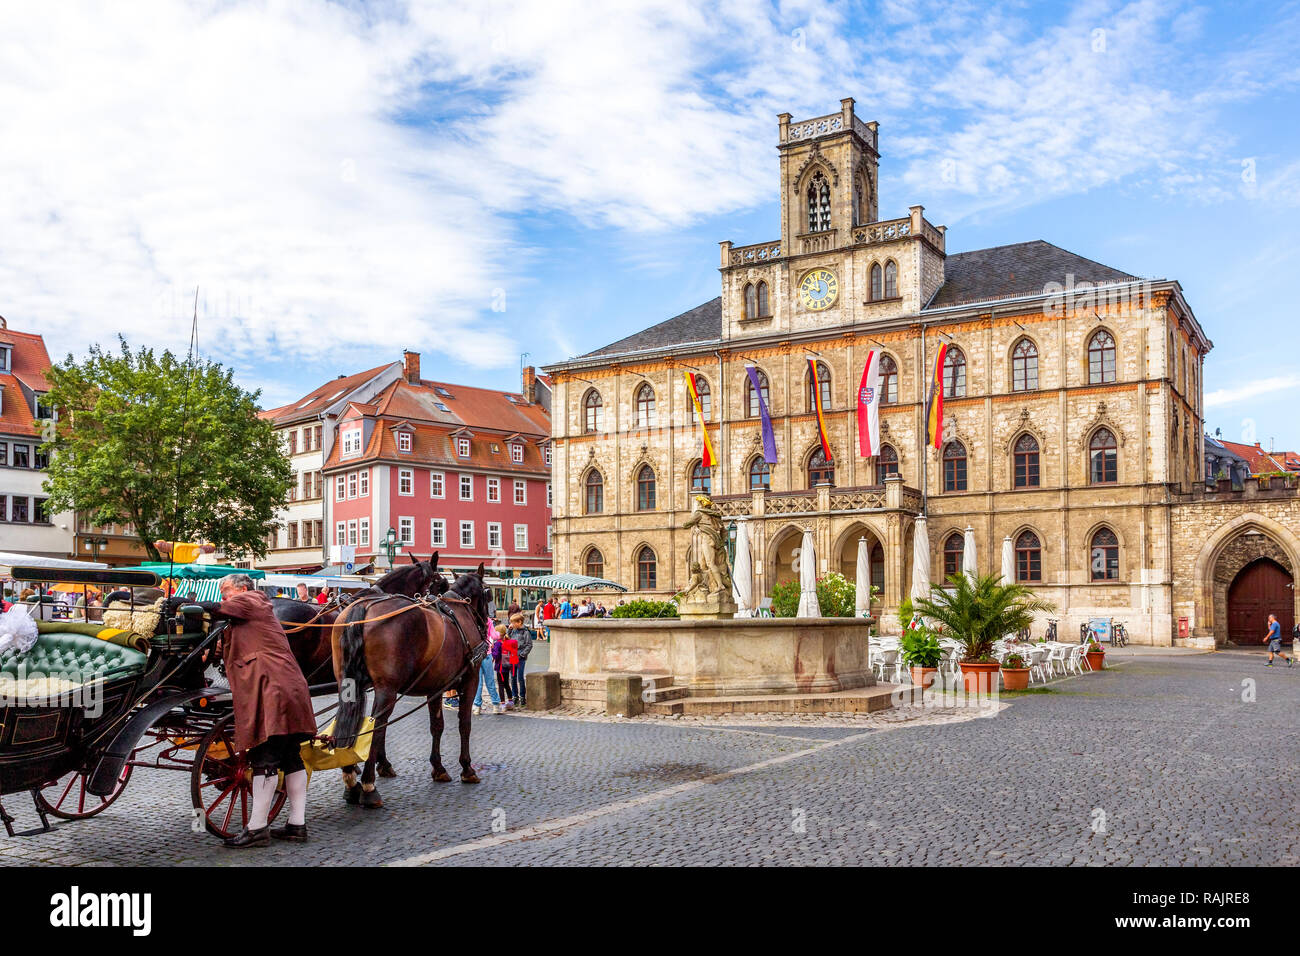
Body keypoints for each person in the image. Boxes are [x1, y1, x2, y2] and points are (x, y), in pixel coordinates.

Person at [171, 574, 316, 847]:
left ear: (242, 588)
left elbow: (219, 608)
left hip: (273, 689)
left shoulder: (252, 600)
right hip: (285, 687)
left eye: (225, 591)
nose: (223, 596)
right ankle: (297, 824)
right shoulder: (248, 615)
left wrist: (187, 603)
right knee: (290, 756)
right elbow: (227, 648)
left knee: (265, 754)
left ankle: (258, 828)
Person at [509, 612, 533, 706]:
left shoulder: (525, 632)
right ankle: (515, 696)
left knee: (520, 677)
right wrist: (509, 630)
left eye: (514, 623)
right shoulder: (513, 631)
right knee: (513, 677)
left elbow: (529, 645)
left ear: (519, 622)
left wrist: (523, 654)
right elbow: (507, 639)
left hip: (520, 658)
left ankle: (522, 696)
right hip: (512, 657)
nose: (512, 624)